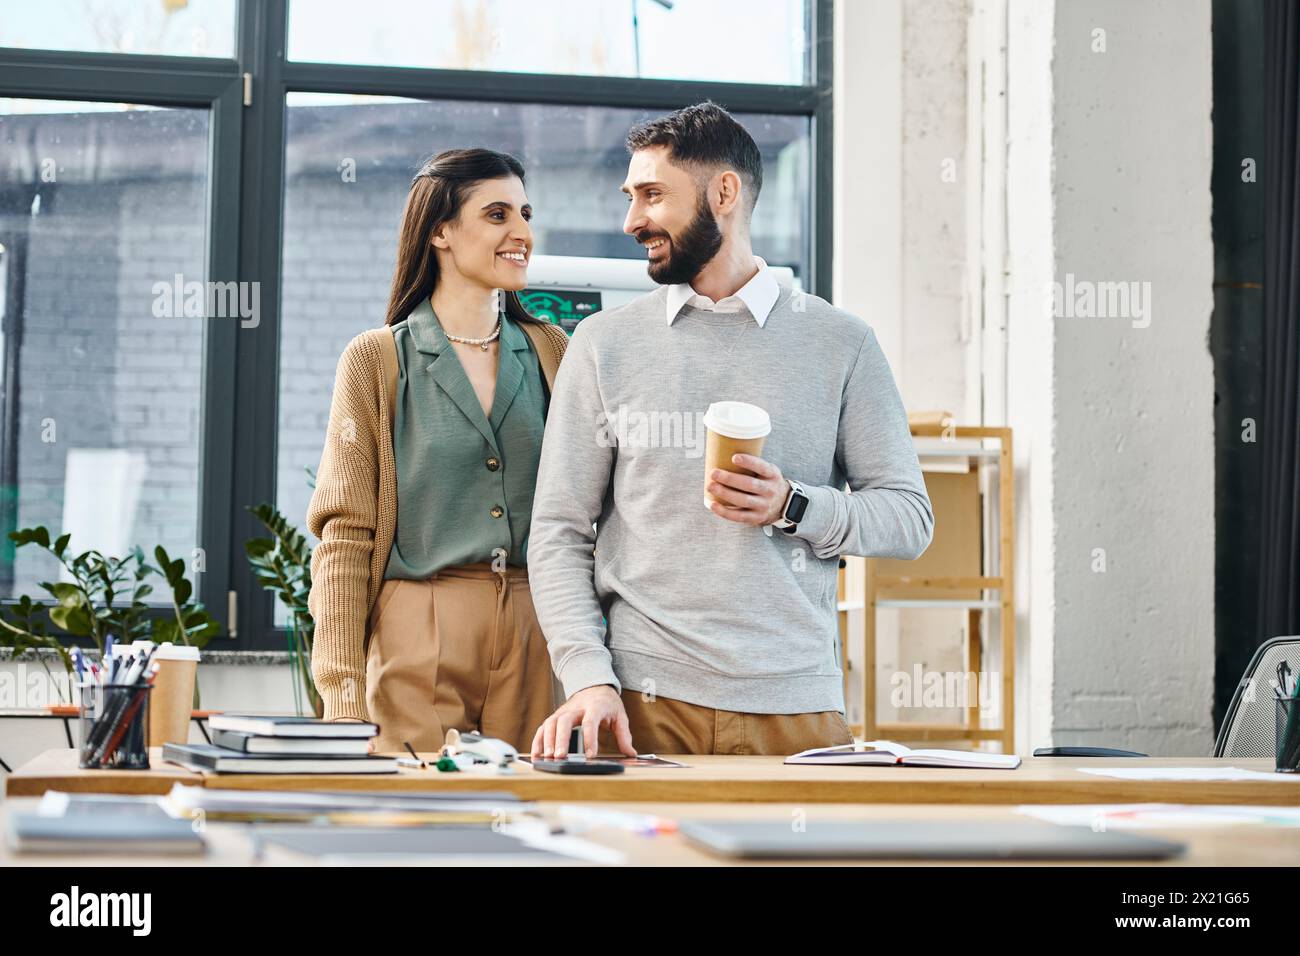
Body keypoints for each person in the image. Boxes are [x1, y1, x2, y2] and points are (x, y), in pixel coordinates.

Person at [527, 102, 934, 758]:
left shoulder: (841, 344)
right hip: (638, 707)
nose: (632, 221)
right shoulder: (605, 344)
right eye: (630, 198)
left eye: (653, 195)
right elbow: (558, 532)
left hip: (795, 709)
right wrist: (586, 678)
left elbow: (910, 520)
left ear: (724, 192)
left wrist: (793, 505)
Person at [306, 148, 569, 754]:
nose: (522, 233)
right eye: (498, 214)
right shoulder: (377, 360)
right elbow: (346, 537)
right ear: (441, 231)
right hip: (418, 625)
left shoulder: (552, 349)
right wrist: (343, 693)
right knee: (413, 820)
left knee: (528, 824)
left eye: (525, 213)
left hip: (537, 627)